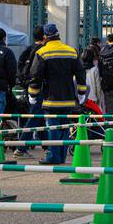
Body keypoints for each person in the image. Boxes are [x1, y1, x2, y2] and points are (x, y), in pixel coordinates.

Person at [27, 24, 87, 165]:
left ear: (45, 37)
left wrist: (33, 94)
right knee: (65, 127)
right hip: (68, 98)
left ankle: (53, 156)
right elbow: (80, 73)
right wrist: (81, 92)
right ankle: (62, 156)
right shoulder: (71, 51)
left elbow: (35, 76)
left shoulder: (42, 52)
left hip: (51, 98)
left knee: (52, 128)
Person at [13, 25, 46, 158]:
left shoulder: (28, 49)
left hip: (28, 87)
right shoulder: (43, 50)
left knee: (40, 117)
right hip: (39, 87)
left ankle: (48, 146)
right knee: (35, 116)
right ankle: (21, 147)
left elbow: (20, 67)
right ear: (44, 37)